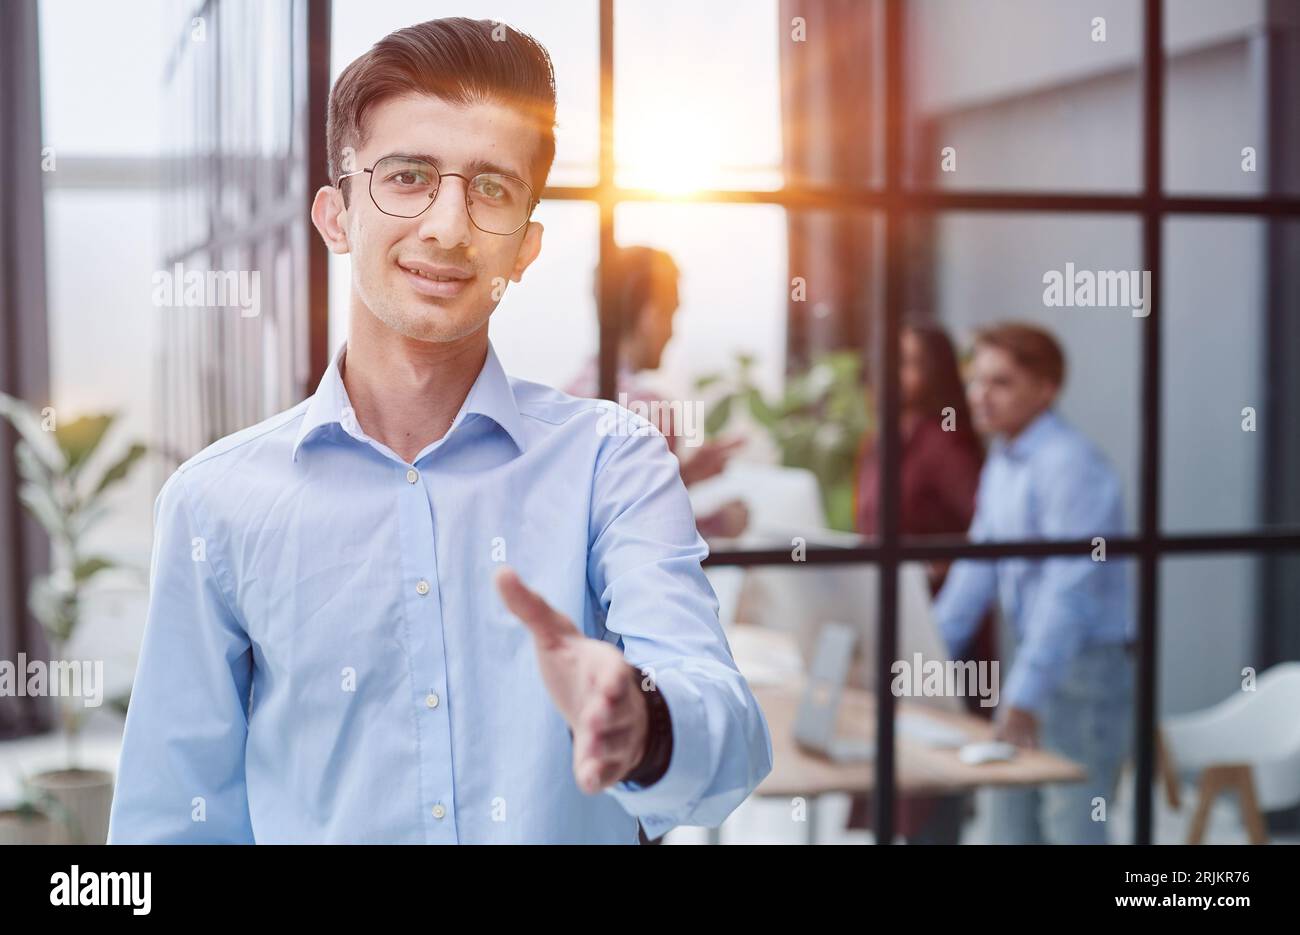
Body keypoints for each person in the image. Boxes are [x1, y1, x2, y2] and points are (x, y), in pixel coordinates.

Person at [107, 18, 772, 845]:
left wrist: (644, 721)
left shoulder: (612, 460)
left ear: (526, 247)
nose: (449, 228)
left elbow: (730, 734)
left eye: (491, 188)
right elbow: (172, 822)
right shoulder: (214, 503)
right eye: (409, 177)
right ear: (337, 214)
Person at [934, 322, 1134, 844]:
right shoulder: (1005, 458)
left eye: (1000, 382)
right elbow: (979, 566)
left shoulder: (1068, 464)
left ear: (1045, 388)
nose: (980, 396)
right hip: (1038, 660)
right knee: (1010, 822)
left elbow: (1071, 590)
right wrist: (926, 657)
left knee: (1072, 824)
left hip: (1083, 668)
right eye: (976, 381)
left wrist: (1024, 692)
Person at [845, 322, 989, 843]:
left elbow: (986, 533)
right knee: (891, 772)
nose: (895, 374)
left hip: (937, 630)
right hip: (888, 624)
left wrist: (928, 568)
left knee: (930, 780)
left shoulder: (941, 439)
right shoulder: (882, 438)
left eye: (909, 363)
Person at [566, 245, 749, 540]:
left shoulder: (570, 393)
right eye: (671, 314)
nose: (673, 333)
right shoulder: (649, 409)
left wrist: (687, 474)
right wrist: (719, 525)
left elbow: (602, 508)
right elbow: (650, 541)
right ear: (650, 317)